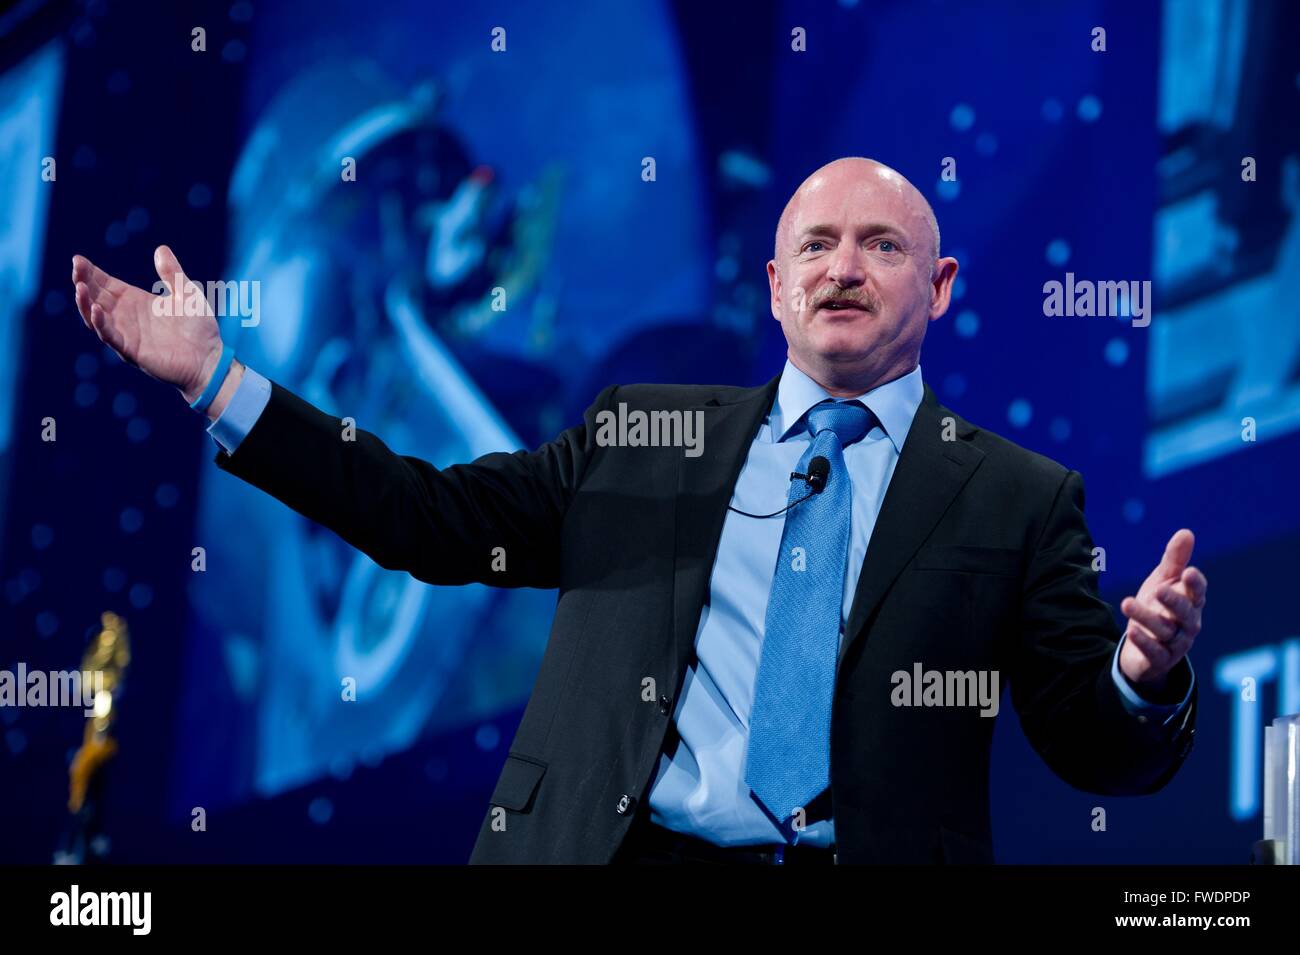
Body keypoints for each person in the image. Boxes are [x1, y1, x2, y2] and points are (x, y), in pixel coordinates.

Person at [70, 157, 1204, 865]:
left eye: (881, 245)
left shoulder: (1016, 494)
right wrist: (221, 385)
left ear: (940, 285)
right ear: (773, 285)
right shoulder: (641, 439)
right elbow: (422, 515)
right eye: (814, 243)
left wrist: (1138, 674)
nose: (842, 267)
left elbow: (1092, 744)